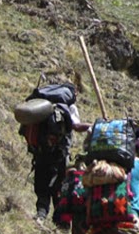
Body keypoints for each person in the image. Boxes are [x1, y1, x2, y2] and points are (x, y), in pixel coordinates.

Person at [22, 83, 90, 222]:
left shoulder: (42, 105)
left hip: (40, 152)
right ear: (74, 93)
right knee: (59, 186)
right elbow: (76, 126)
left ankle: (41, 214)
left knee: (41, 183)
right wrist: (95, 125)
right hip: (59, 153)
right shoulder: (69, 107)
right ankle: (60, 220)